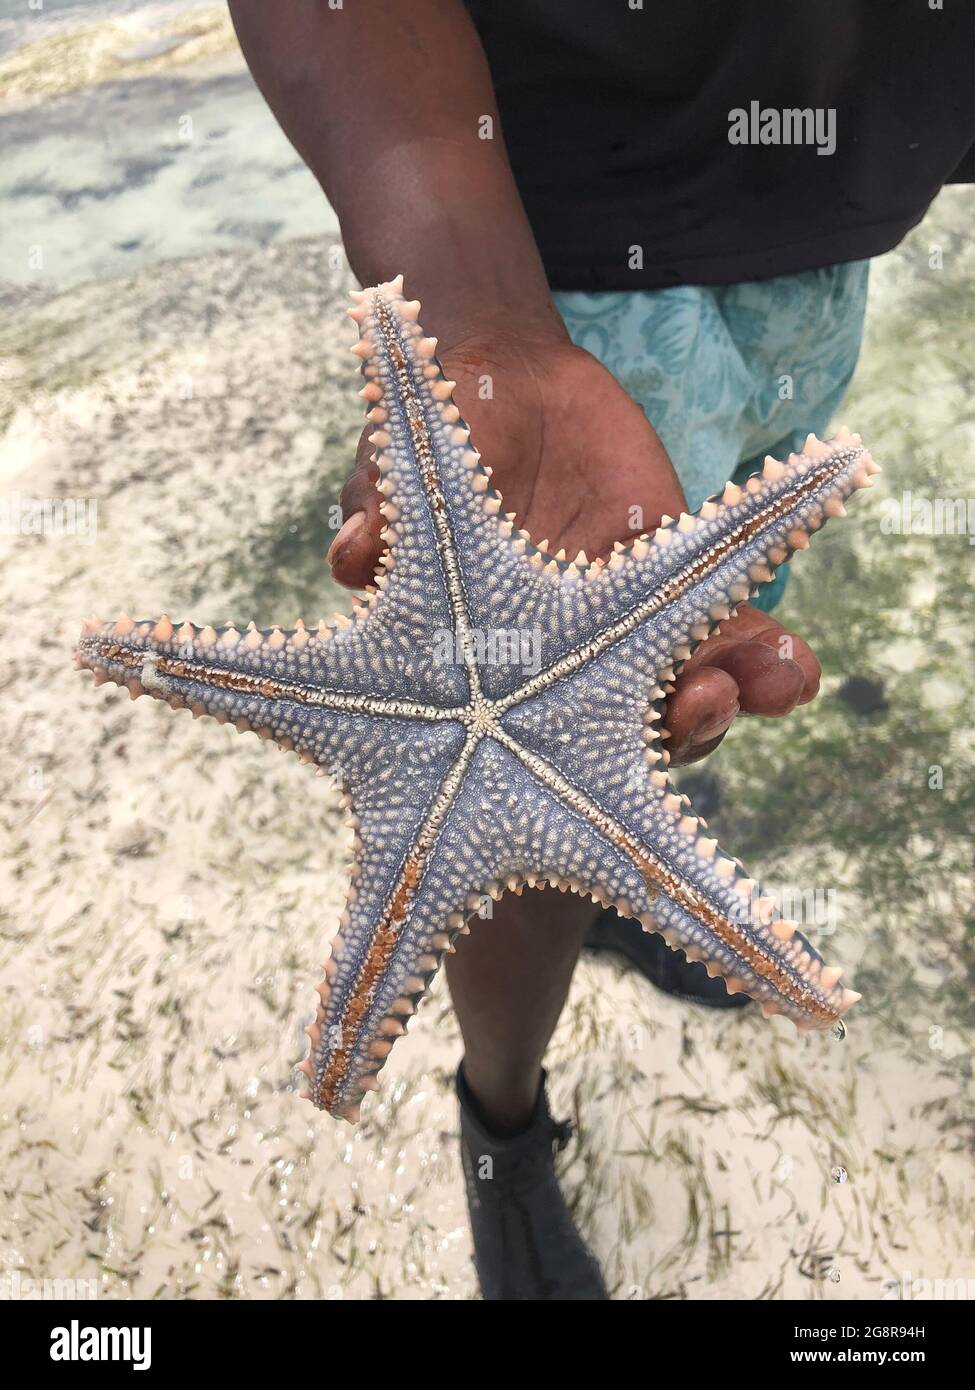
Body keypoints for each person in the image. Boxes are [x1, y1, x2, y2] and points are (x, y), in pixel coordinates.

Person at [226, 1, 975, 1300]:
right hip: (565, 255)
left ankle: (625, 894)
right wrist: (476, 322)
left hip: (828, 239)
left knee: (673, 673)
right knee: (534, 806)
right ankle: (502, 1118)